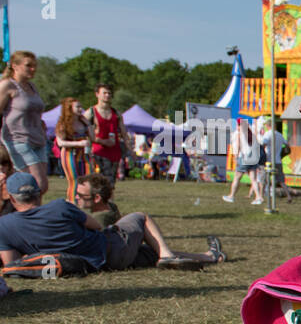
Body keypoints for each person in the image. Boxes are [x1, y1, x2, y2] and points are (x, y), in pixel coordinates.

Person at [0, 172, 221, 271]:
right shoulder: (60, 206)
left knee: (149, 250)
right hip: (108, 251)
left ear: (11, 198)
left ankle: (209, 257)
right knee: (140, 218)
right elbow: (96, 226)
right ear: (39, 193)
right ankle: (168, 256)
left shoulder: (4, 226)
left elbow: (12, 264)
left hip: (87, 266)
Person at [74, 173, 226, 263]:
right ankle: (209, 256)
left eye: (80, 196)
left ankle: (208, 256)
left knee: (151, 238)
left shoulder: (98, 219)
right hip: (124, 253)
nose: (76, 198)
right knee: (157, 251)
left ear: (97, 198)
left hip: (115, 255)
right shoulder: (110, 207)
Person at [0, 51, 51, 195]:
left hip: (38, 140)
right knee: (35, 185)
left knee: (42, 187)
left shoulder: (32, 87)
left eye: (34, 66)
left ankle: (30, 214)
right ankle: (20, 214)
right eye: (28, 66)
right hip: (18, 140)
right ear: (15, 66)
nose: (33, 69)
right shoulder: (7, 86)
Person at [86, 84, 129, 180]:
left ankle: (107, 195)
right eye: (104, 93)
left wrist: (130, 150)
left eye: (109, 93)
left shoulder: (116, 113)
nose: (107, 95)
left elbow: (124, 133)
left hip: (114, 152)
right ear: (97, 94)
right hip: (97, 151)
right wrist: (100, 141)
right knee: (99, 181)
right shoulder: (90, 112)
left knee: (111, 182)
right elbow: (82, 131)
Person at [53, 98, 92, 200]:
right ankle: (72, 202)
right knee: (74, 180)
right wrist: (78, 143)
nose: (81, 109)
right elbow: (60, 142)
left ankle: (84, 201)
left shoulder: (83, 122)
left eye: (81, 106)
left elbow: (92, 138)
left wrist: (88, 124)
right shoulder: (62, 123)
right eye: (77, 107)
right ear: (69, 108)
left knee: (88, 178)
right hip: (69, 154)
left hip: (84, 154)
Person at [224, 118, 264, 204]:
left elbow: (238, 145)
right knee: (253, 179)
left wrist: (235, 157)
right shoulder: (251, 132)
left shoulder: (238, 133)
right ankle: (258, 197)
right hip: (253, 157)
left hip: (244, 157)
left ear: (238, 125)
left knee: (237, 178)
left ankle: (231, 196)